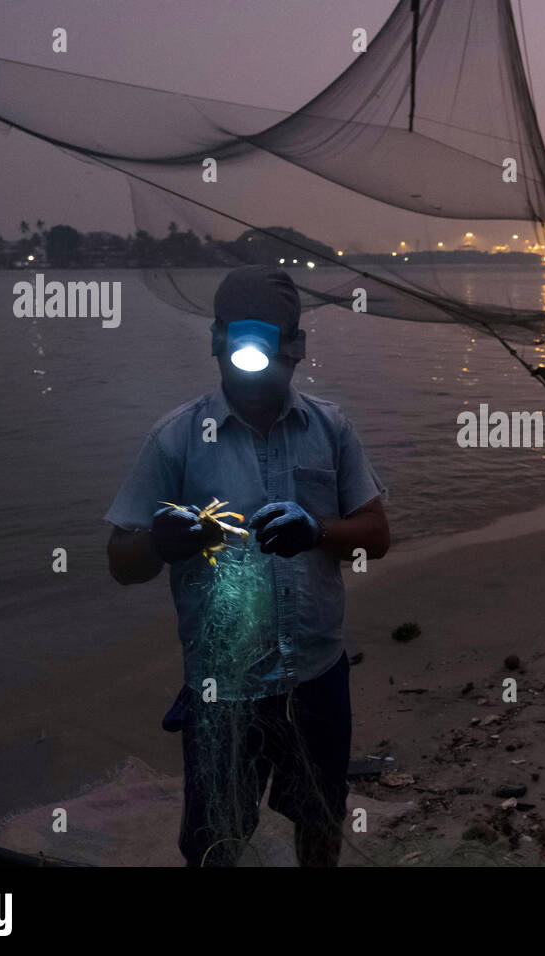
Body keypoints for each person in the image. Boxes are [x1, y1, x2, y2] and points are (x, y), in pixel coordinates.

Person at [105, 265, 389, 866]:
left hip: (316, 673)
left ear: (297, 350)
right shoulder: (175, 439)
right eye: (240, 349)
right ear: (216, 343)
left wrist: (317, 531)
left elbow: (376, 535)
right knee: (215, 833)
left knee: (320, 814)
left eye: (271, 352)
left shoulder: (330, 428)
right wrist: (159, 542)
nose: (255, 370)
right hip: (222, 687)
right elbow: (121, 561)